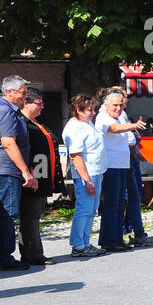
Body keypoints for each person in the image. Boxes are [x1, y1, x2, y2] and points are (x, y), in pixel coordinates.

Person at [0, 74, 36, 269]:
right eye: (23, 93)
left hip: (7, 167)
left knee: (3, 213)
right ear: (9, 92)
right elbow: (8, 142)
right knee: (7, 214)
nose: (25, 97)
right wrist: (25, 171)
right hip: (8, 168)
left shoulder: (7, 109)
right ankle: (3, 258)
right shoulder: (5, 110)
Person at [96, 89, 146, 251]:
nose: (118, 108)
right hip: (111, 165)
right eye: (115, 105)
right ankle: (108, 240)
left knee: (119, 204)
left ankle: (117, 238)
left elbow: (130, 138)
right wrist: (133, 125)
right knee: (111, 204)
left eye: (120, 105)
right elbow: (115, 129)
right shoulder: (103, 116)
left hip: (124, 164)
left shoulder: (121, 115)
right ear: (106, 105)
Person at [18, 88, 62, 265]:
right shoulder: (22, 123)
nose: (43, 107)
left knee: (34, 215)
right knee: (30, 216)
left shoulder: (37, 123)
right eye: (39, 103)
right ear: (26, 103)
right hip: (32, 177)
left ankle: (32, 252)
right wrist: (28, 173)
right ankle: (33, 254)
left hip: (43, 176)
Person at [62, 94, 107, 258]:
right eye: (90, 110)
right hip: (86, 174)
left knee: (92, 209)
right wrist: (87, 180)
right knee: (84, 209)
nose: (93, 113)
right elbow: (76, 156)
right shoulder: (74, 127)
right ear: (78, 110)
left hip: (96, 171)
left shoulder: (87, 123)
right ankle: (78, 245)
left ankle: (86, 242)